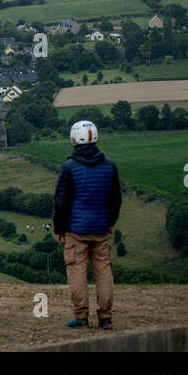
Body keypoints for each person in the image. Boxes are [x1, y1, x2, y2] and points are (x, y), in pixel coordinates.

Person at [53, 119, 121, 330]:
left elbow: (61, 202)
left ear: (74, 139)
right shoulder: (110, 165)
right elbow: (116, 198)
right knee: (103, 272)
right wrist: (110, 222)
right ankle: (106, 318)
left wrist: (59, 228)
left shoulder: (69, 167)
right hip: (101, 228)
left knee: (76, 272)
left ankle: (81, 317)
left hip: (76, 230)